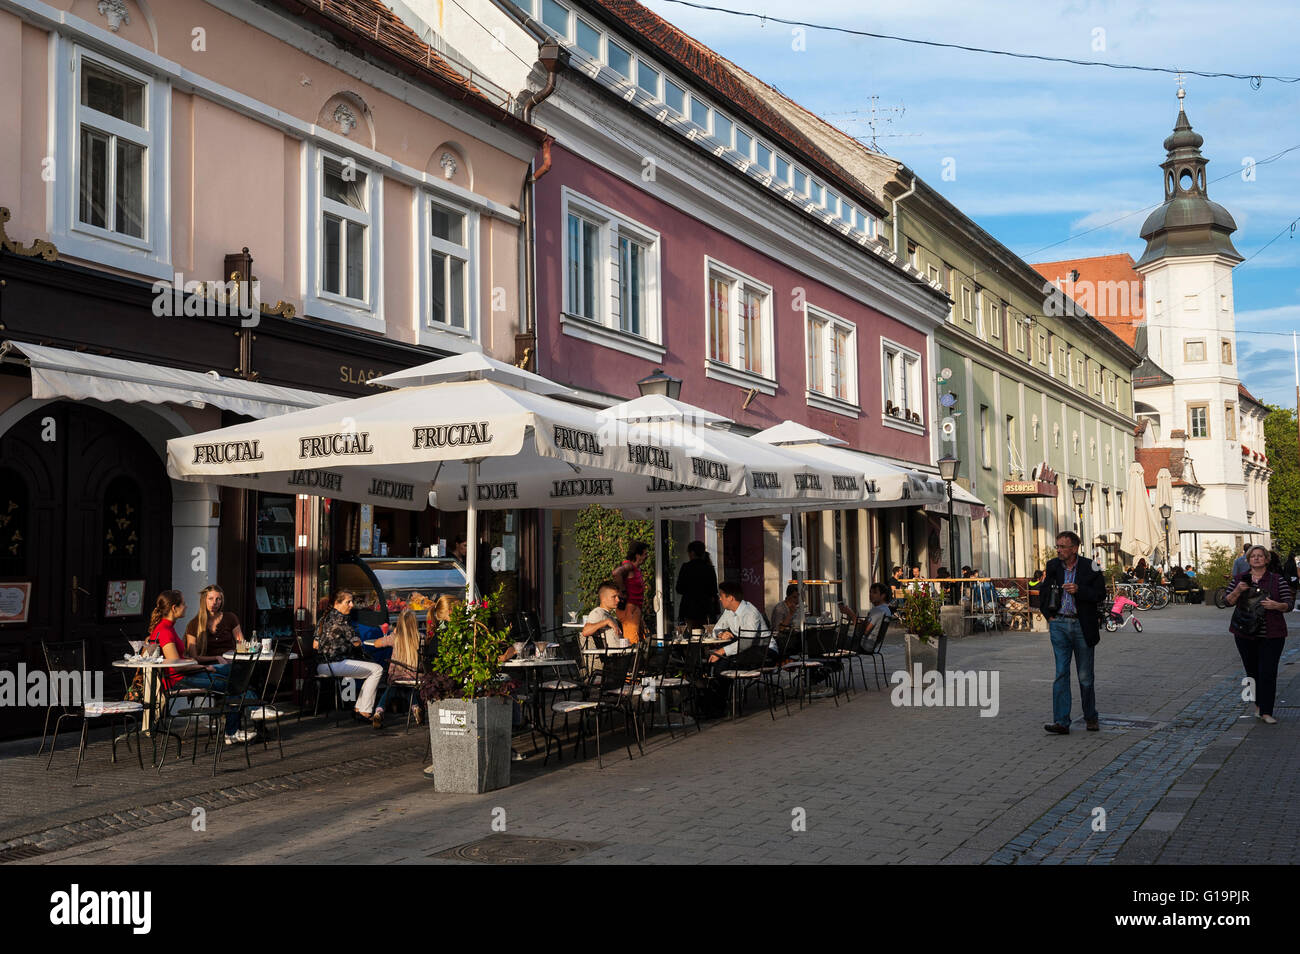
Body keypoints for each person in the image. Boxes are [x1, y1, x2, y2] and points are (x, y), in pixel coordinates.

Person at [148, 590, 253, 743]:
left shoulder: (168, 627)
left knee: (237, 670)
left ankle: (241, 722)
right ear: (173, 608)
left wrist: (200, 665)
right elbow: (176, 666)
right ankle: (236, 728)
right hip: (178, 680)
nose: (186, 606)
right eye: (183, 604)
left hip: (187, 675)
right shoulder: (165, 631)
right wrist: (203, 667)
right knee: (233, 682)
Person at [1041, 530, 1106, 735]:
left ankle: (1090, 716)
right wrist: (1048, 616)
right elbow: (1044, 592)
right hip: (1059, 624)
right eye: (1057, 546)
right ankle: (1061, 721)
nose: (1059, 550)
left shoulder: (1091, 565)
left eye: (1062, 546)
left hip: (1082, 625)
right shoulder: (1053, 565)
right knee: (1061, 673)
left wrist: (1080, 591)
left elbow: (1101, 594)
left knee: (1085, 676)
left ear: (1074, 548)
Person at [1225, 544, 1292, 724]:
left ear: (1266, 560)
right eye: (1253, 556)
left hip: (1272, 633)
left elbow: (1289, 604)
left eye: (1260, 556)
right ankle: (1257, 705)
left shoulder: (1277, 580)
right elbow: (1227, 602)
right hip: (1245, 633)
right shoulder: (1240, 579)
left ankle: (1267, 712)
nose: (1256, 558)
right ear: (1247, 560)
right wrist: (1238, 590)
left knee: (1268, 672)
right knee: (1251, 671)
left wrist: (1276, 606)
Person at [313, 590, 385, 725]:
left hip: (322, 666)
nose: (352, 605)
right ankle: (364, 711)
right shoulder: (341, 620)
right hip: (335, 664)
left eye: (352, 601)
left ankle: (359, 708)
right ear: (337, 603)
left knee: (369, 671)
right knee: (377, 669)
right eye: (348, 602)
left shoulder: (324, 618)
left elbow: (315, 645)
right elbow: (357, 643)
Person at [371, 609, 423, 730]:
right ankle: (415, 707)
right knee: (408, 690)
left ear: (399, 623)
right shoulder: (420, 637)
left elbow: (377, 644)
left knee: (390, 690)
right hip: (415, 677)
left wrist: (392, 633)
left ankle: (379, 711)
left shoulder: (395, 637)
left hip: (396, 676)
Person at [708, 581, 776, 663]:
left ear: (730, 598)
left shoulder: (750, 613)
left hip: (765, 650)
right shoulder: (728, 611)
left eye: (721, 596)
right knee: (719, 658)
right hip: (747, 650)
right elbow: (716, 629)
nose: (720, 599)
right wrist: (721, 634)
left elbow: (747, 642)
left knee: (727, 659)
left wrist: (722, 651)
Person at [184, 583, 244, 669]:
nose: (214, 602)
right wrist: (216, 657)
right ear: (204, 600)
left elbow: (241, 645)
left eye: (218, 599)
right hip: (208, 668)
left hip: (230, 663)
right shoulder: (194, 624)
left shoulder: (231, 618)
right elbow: (194, 657)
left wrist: (234, 652)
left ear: (222, 601)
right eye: (210, 599)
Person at [675, 540, 720, 629]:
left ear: (692, 553)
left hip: (689, 609)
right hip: (706, 609)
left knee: (691, 637)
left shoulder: (686, 567)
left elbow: (679, 588)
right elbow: (714, 590)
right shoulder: (709, 568)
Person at [612, 541, 649, 644]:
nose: (647, 556)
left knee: (642, 640)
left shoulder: (636, 569)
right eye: (645, 554)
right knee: (632, 642)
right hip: (629, 609)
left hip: (635, 609)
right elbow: (616, 573)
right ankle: (632, 660)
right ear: (638, 555)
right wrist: (622, 591)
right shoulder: (629, 566)